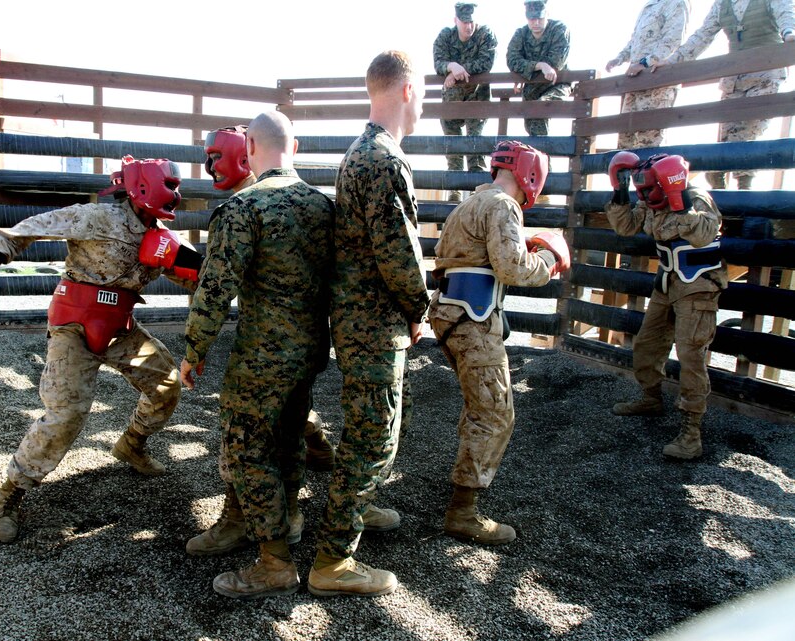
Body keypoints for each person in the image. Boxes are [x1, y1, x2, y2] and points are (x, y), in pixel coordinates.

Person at [0, 156, 202, 543]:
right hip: (74, 327)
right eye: (168, 184)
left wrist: (206, 269)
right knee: (66, 413)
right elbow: (28, 229)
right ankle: (9, 496)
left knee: (166, 385)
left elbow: (199, 277)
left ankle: (132, 444)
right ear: (142, 186)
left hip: (119, 328)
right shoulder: (96, 217)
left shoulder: (165, 239)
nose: (174, 194)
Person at [180, 111, 335, 599]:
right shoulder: (324, 206)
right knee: (289, 440)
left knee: (247, 450)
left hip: (262, 356)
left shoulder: (244, 207)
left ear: (248, 147)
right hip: (311, 350)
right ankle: (288, 521)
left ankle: (274, 563)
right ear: (297, 147)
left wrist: (194, 349)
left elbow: (214, 289)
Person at [308, 50, 430, 598]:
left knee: (371, 425)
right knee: (372, 434)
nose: (423, 104)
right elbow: (398, 251)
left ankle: (360, 505)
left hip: (364, 320)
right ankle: (333, 561)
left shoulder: (364, 152)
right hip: (374, 323)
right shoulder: (382, 159)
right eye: (422, 93)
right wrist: (419, 308)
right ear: (407, 90)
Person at [428, 140, 570, 545]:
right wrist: (549, 261)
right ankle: (463, 512)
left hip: (452, 316)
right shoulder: (503, 205)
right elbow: (512, 268)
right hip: (473, 320)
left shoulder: (470, 203)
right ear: (530, 175)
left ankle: (463, 480)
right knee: (495, 413)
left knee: (480, 404)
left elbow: (473, 258)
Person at [606, 151, 727, 459]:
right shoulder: (650, 200)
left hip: (698, 287)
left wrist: (679, 200)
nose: (645, 196)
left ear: (666, 182)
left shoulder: (697, 197)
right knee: (647, 344)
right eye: (641, 190)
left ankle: (691, 433)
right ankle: (651, 399)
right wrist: (619, 191)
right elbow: (626, 226)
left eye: (648, 190)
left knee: (690, 355)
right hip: (667, 283)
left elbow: (705, 234)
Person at [654, 0, 795, 189]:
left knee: (750, 130)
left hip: (765, 73)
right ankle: (719, 178)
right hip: (734, 77)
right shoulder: (722, 4)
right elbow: (703, 35)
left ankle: (743, 186)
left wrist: (789, 33)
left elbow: (785, 13)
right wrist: (673, 60)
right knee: (728, 133)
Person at [605, 0, 691, 149]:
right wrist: (620, 58)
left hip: (657, 82)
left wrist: (645, 63)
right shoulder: (650, 5)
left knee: (649, 141)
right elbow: (636, 39)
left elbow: (672, 40)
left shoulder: (676, 3)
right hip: (635, 83)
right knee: (626, 141)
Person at [433, 2, 498, 200]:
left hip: (476, 99)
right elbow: (438, 62)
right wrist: (451, 66)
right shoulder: (446, 36)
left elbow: (486, 62)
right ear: (456, 20)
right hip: (452, 101)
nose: (469, 26)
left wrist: (457, 71)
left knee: (475, 147)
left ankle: (477, 196)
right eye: (464, 22)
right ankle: (454, 191)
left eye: (472, 22)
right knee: (453, 148)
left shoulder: (485, 34)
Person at [506, 0, 572, 137]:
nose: (536, 23)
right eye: (531, 19)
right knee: (531, 127)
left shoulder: (559, 29)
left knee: (541, 108)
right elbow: (512, 60)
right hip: (531, 88)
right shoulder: (521, 34)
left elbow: (556, 61)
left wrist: (525, 70)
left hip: (556, 84)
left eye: (540, 18)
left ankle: (542, 150)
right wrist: (540, 65)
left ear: (547, 14)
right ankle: (538, 150)